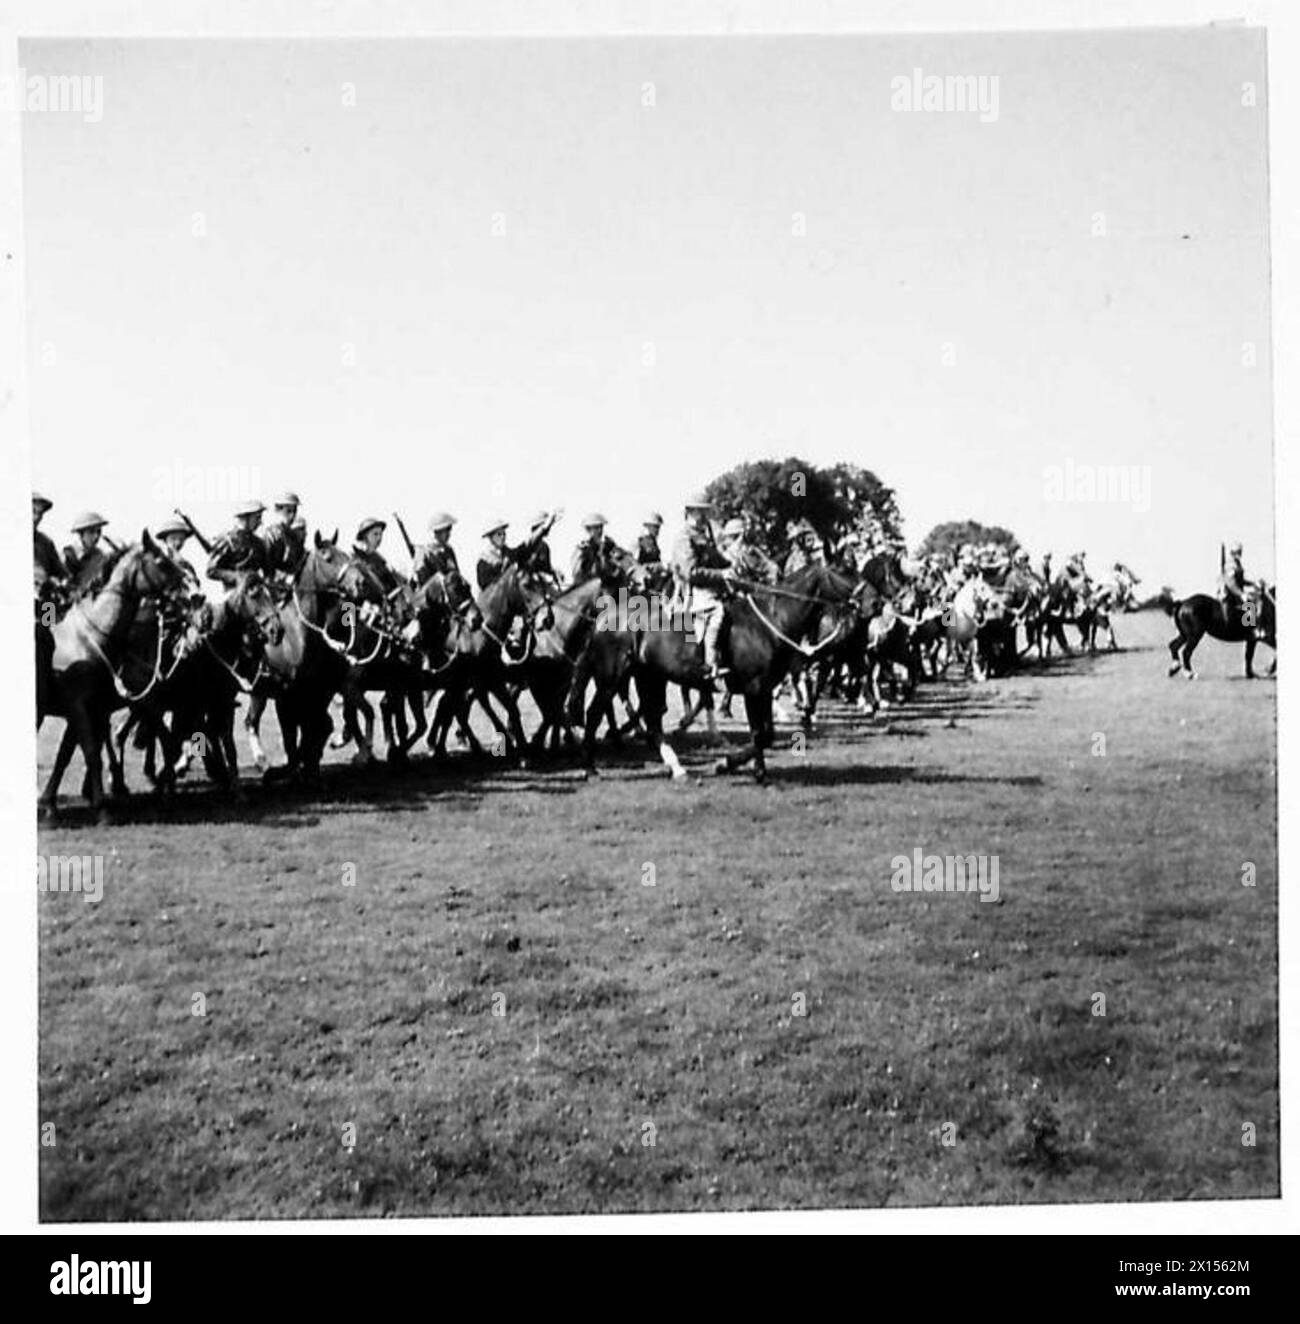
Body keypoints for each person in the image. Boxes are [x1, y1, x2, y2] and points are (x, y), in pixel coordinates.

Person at [671, 494, 734, 680]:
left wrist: (733, 568)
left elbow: (719, 560)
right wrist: (721, 575)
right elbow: (690, 572)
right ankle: (708, 662)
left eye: (705, 511)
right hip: (692, 590)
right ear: (690, 512)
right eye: (700, 511)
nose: (704, 515)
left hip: (710, 587)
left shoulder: (705, 536)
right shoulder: (684, 537)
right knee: (717, 612)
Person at [412, 512, 474, 614]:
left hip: (452, 602)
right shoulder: (424, 552)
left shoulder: (449, 550)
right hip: (431, 604)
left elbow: (456, 574)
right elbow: (421, 581)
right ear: (437, 532)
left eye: (449, 529)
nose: (449, 534)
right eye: (446, 530)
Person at [207, 500, 270, 587]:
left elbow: (268, 571)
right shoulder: (227, 541)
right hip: (233, 593)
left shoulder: (259, 543)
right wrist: (237, 577)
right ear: (245, 518)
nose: (260, 522)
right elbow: (211, 571)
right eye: (257, 518)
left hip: (256, 592)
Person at [62, 512, 113, 600]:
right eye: (91, 532)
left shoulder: (100, 556)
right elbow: (62, 581)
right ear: (81, 535)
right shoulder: (69, 554)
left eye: (98, 531)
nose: (96, 536)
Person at [569, 514, 628, 584]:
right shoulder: (582, 549)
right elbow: (577, 573)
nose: (600, 530)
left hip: (608, 583)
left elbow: (620, 558)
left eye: (601, 527)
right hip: (590, 585)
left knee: (623, 583)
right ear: (588, 529)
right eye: (596, 528)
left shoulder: (608, 545)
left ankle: (624, 595)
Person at [261, 490, 306, 579]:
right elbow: (264, 565)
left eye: (294, 511)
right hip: (271, 584)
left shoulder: (292, 537)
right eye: (288, 511)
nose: (292, 515)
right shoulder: (270, 535)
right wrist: (283, 576)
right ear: (278, 510)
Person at [33, 491, 68, 603]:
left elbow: (62, 573)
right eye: (32, 511)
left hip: (44, 601)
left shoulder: (46, 543)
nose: (36, 517)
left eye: (40, 513)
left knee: (51, 617)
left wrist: (58, 582)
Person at [720, 516, 778, 585]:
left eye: (727, 537)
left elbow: (771, 568)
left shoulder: (747, 551)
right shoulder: (728, 553)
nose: (725, 541)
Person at [155, 515, 203, 595]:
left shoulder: (187, 565)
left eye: (181, 539)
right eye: (173, 538)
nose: (178, 543)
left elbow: (196, 584)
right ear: (165, 540)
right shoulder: (158, 559)